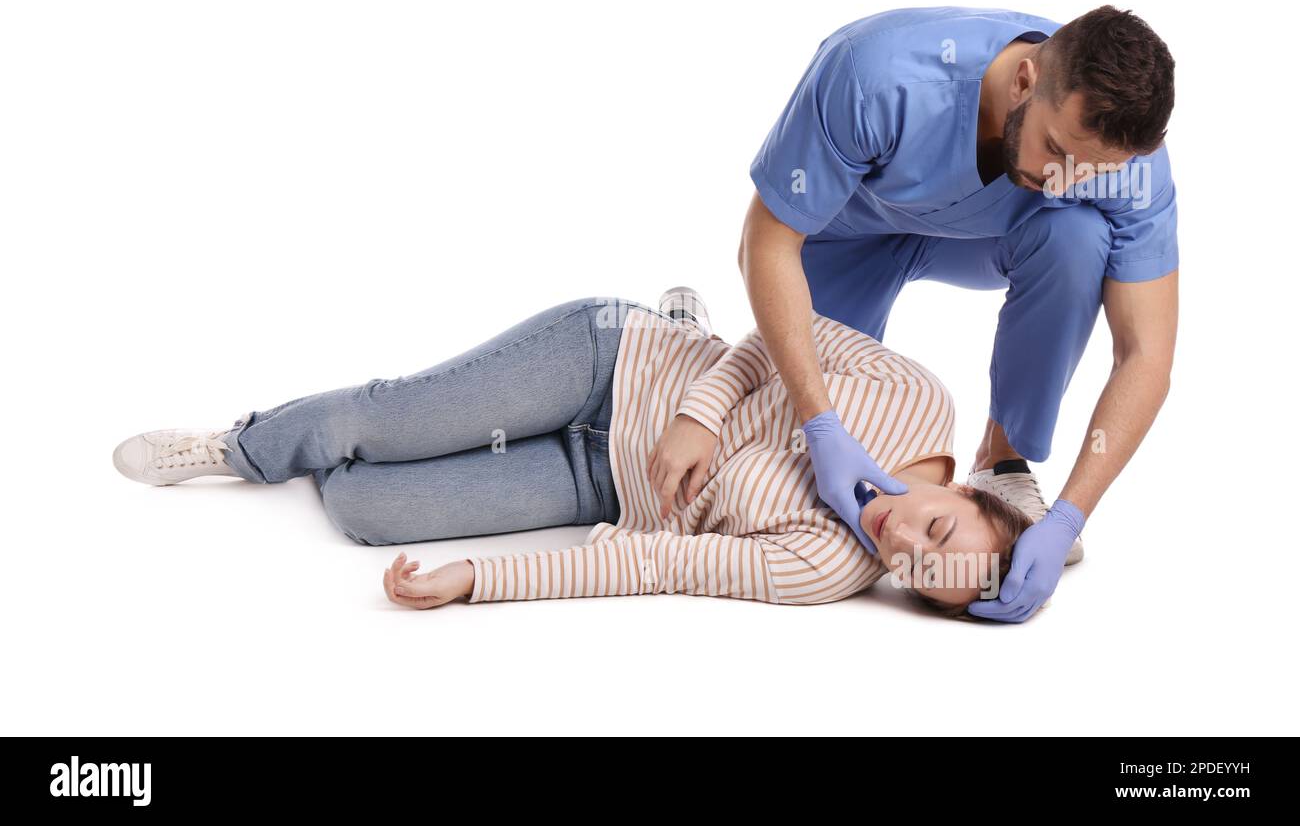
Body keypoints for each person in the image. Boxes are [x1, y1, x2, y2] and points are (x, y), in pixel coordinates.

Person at [112, 289, 1039, 618]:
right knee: (380, 422)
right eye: (936, 527)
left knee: (365, 514)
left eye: (918, 573)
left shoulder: (826, 567)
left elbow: (646, 562)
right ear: (961, 487)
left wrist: (475, 579)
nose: (898, 539)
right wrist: (703, 419)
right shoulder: (915, 395)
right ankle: (242, 446)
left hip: (597, 478)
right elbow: (780, 330)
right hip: (615, 364)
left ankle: (338, 458)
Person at [736, 5, 1178, 622]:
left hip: (980, 240)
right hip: (840, 233)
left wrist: (1070, 515)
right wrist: (820, 423)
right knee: (782, 432)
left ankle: (1002, 461)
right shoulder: (875, 77)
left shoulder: (1132, 170)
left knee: (1075, 236)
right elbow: (766, 240)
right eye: (1054, 150)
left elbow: (1146, 355)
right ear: (1025, 79)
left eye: (1086, 172)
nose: (1061, 182)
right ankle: (679, 345)